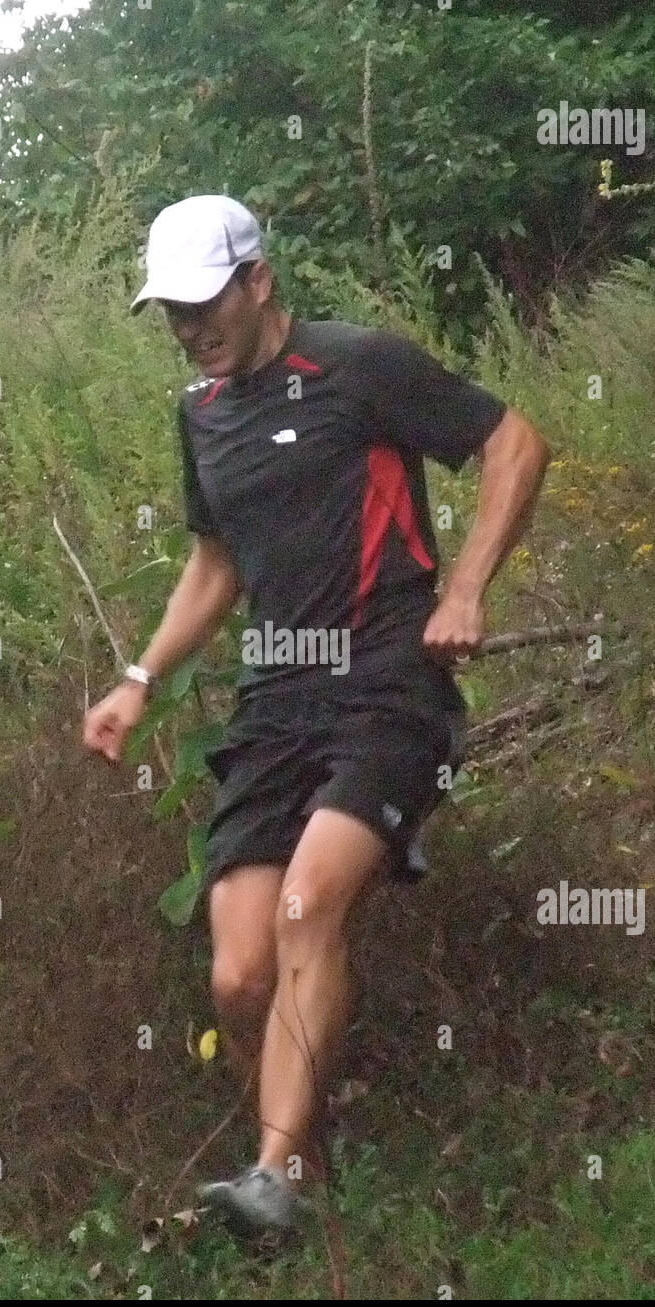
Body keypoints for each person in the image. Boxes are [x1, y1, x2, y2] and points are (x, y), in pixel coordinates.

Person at [83, 194, 550, 1237]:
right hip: (275, 704)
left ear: (258, 281)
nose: (191, 330)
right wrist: (137, 678)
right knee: (240, 970)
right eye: (171, 313)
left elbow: (515, 443)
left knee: (307, 909)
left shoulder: (362, 365)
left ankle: (274, 1175)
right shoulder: (201, 411)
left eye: (205, 304)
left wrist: (466, 587)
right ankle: (301, 1172)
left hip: (387, 682)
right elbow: (213, 566)